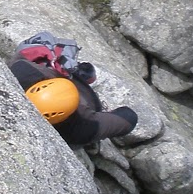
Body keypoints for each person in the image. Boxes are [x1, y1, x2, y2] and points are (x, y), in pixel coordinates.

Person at [9, 32, 138, 148]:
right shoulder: (81, 127)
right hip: (84, 103)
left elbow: (20, 59)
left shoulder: (24, 73)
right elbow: (128, 118)